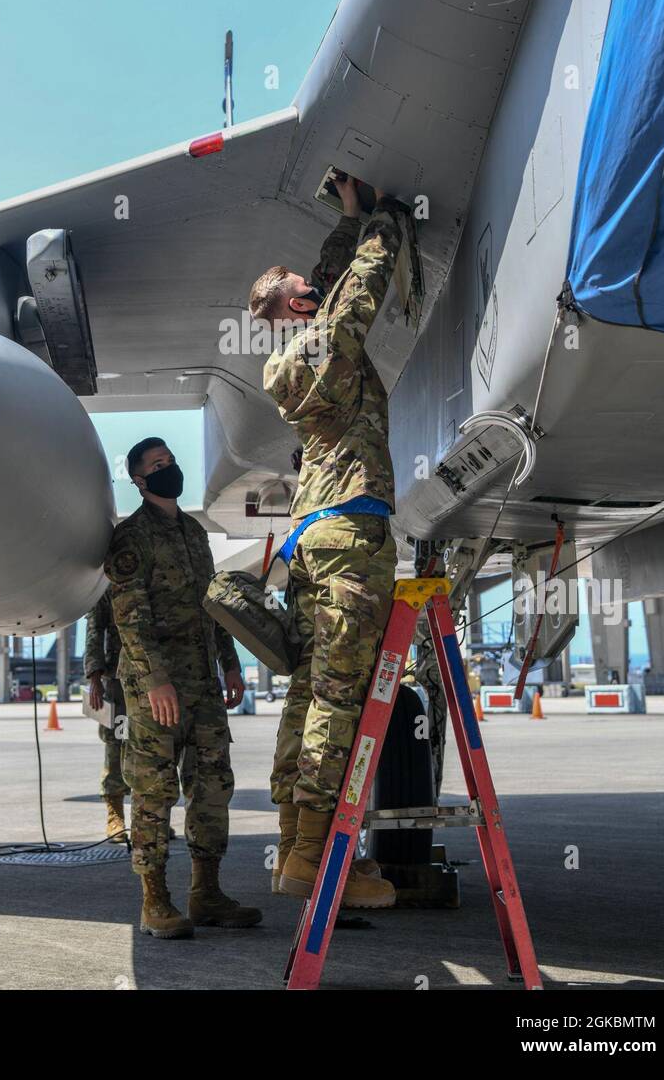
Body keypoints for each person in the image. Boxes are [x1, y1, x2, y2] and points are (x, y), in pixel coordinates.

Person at [249, 174, 411, 908]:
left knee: (311, 696)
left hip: (318, 533)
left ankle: (294, 849)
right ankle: (318, 859)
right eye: (298, 286)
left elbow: (329, 283)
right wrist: (385, 221)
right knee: (341, 703)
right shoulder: (322, 342)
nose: (311, 286)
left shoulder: (292, 359)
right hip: (351, 531)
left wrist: (345, 217)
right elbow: (360, 289)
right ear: (289, 305)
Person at [104, 437, 262, 939]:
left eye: (171, 460)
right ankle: (155, 900)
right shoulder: (132, 537)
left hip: (203, 682)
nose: (168, 468)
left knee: (213, 785)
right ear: (139, 479)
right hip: (158, 689)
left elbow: (213, 606)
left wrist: (232, 665)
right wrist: (156, 680)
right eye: (157, 464)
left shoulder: (194, 531)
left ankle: (206, 893)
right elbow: (128, 616)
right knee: (154, 790)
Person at [84, 587, 130, 842]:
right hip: (116, 679)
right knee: (115, 748)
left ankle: (151, 818)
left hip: (153, 679)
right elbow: (94, 628)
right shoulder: (106, 583)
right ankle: (115, 816)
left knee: (153, 750)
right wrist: (94, 677)